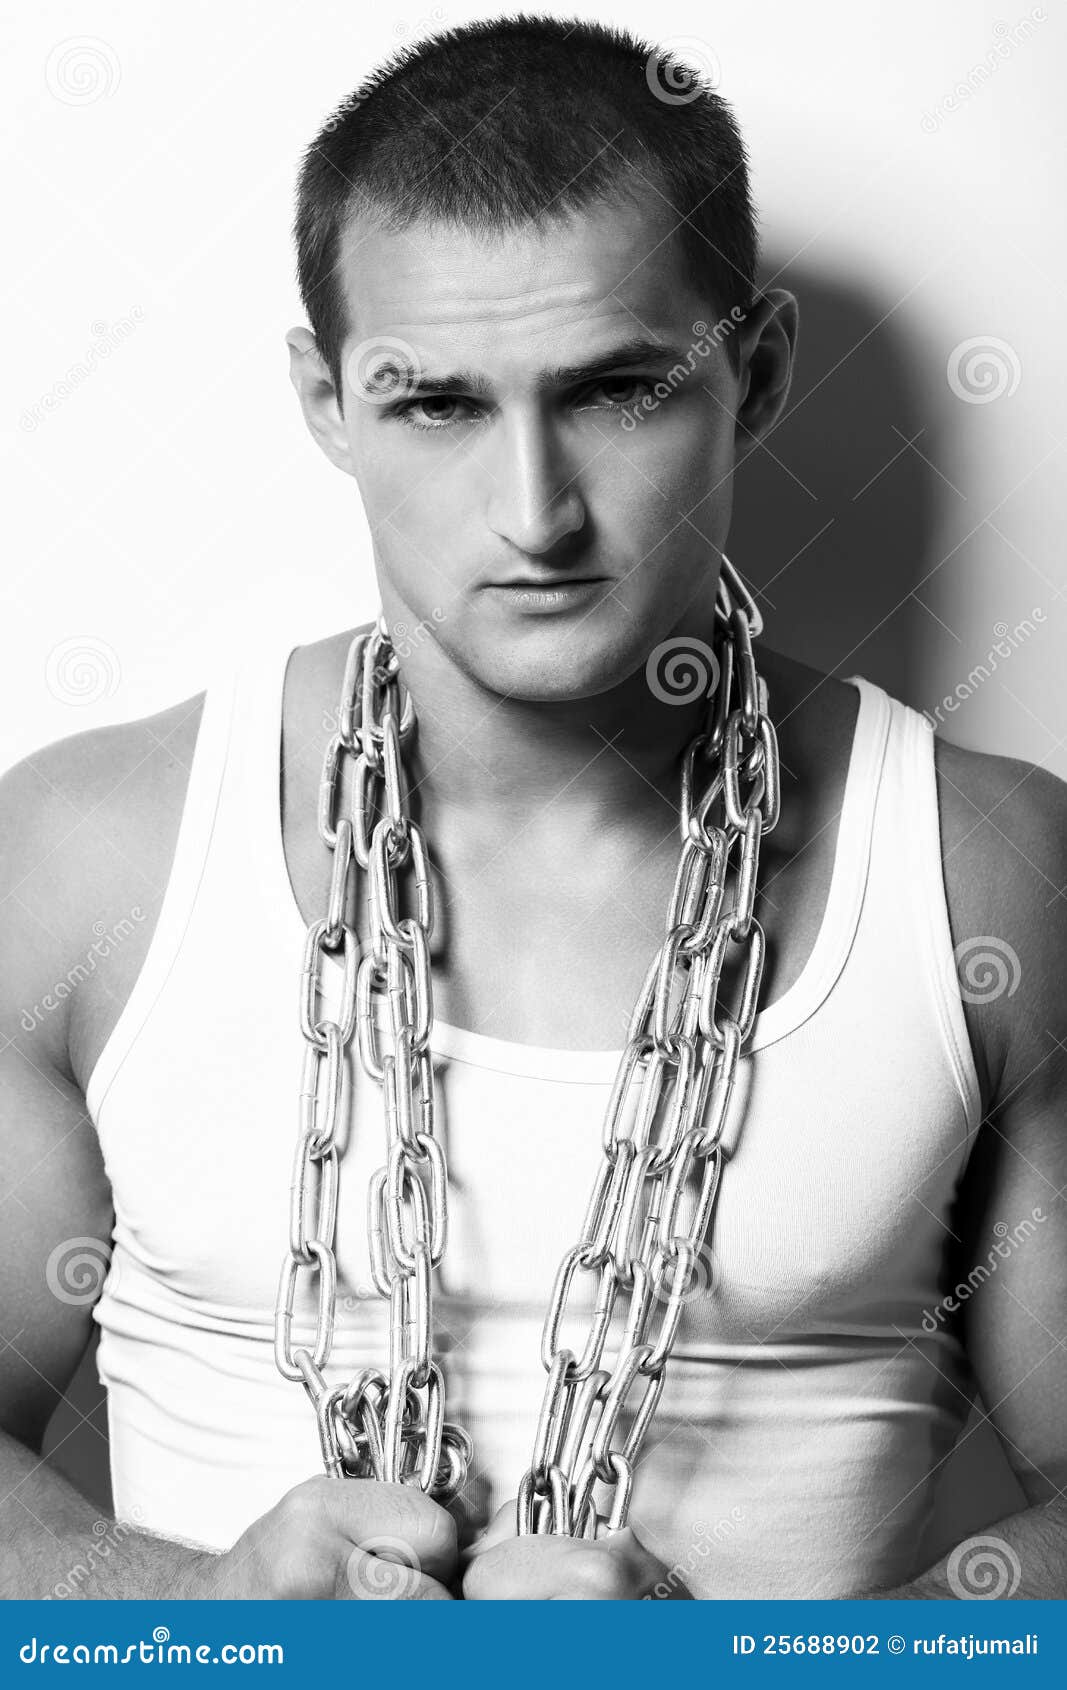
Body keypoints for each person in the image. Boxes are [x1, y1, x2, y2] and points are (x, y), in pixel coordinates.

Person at [1, 14, 1064, 1603]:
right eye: (436, 403)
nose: (535, 512)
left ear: (757, 370)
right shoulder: (87, 860)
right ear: (324, 399)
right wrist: (201, 1610)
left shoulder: (989, 873)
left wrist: (739, 1671)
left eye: (619, 390)